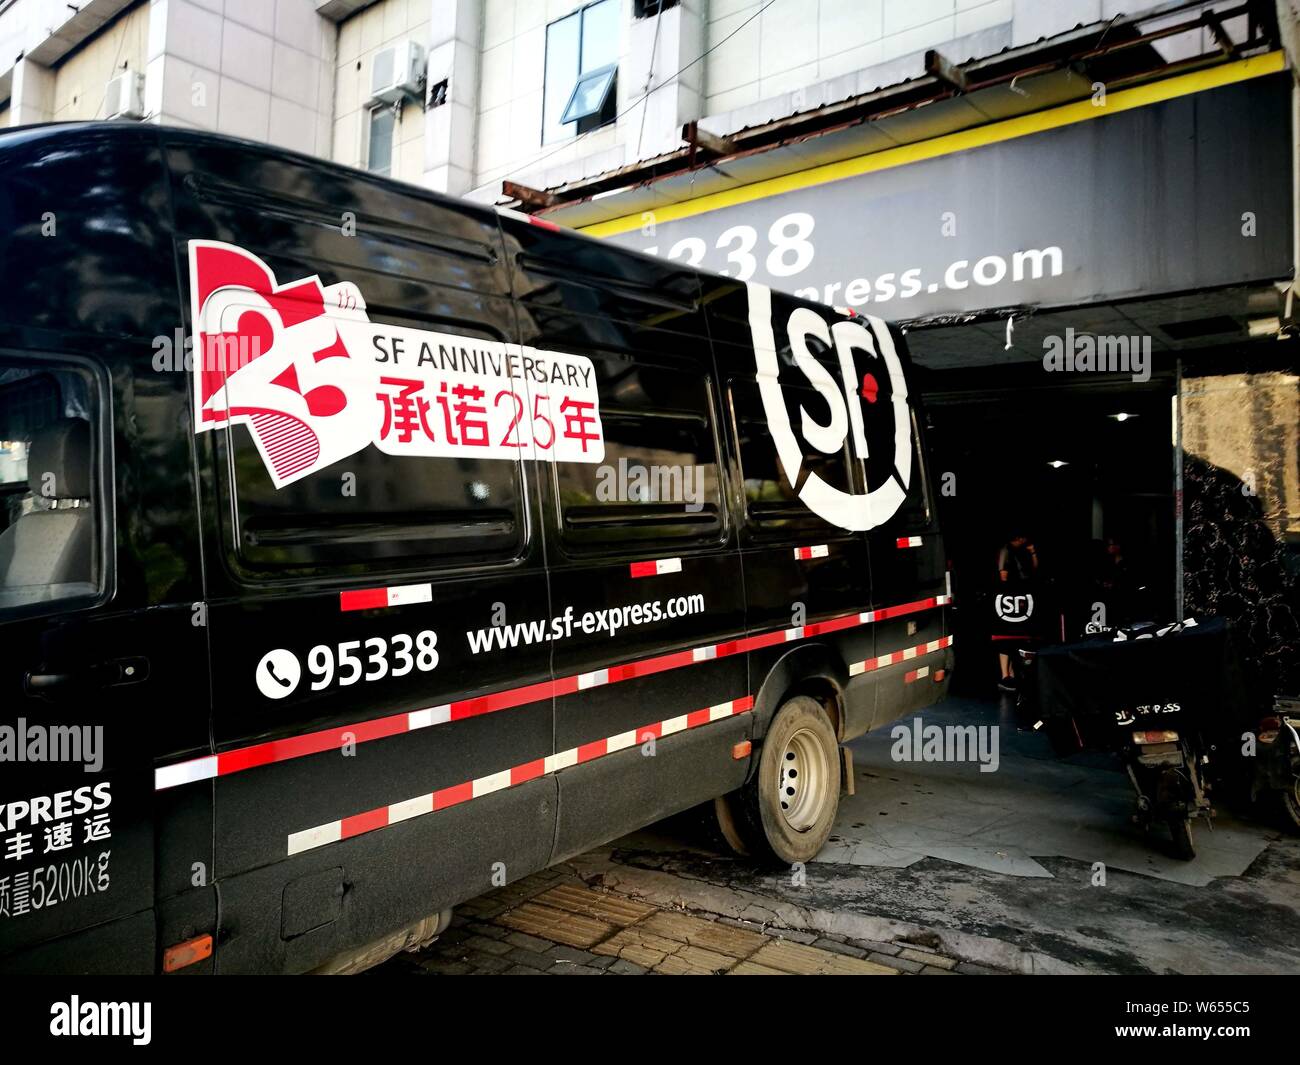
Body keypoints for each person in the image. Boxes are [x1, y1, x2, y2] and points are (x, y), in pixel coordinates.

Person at [995, 530, 1038, 691]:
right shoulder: (1006, 551)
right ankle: (1004, 675)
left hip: (1022, 598)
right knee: (1005, 636)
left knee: (1016, 637)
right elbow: (1003, 576)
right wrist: (1010, 592)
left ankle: (1011, 674)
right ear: (1018, 538)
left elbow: (1034, 570)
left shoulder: (1023, 552)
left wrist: (1033, 552)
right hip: (1009, 598)